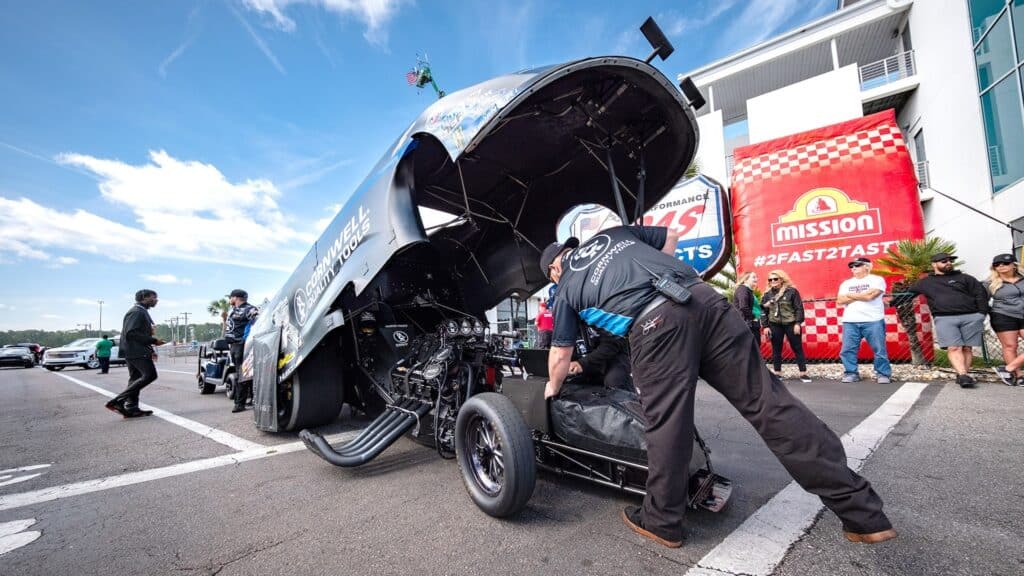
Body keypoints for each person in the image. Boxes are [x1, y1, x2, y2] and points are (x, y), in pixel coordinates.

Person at [539, 226, 895, 549]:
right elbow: (672, 236)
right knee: (768, 402)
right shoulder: (614, 235)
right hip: (703, 299)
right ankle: (863, 513)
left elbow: (560, 352)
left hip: (654, 325)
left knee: (667, 424)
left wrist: (552, 389)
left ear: (555, 271)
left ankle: (662, 521)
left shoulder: (567, 288)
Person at [906, 252, 989, 388]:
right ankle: (963, 375)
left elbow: (980, 293)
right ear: (934, 264)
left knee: (967, 348)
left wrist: (981, 313)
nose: (948, 263)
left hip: (971, 316)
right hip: (944, 318)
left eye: (950, 260)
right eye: (944, 261)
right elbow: (909, 292)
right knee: (954, 347)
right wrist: (890, 303)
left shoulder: (965, 278)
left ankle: (963, 374)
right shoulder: (925, 282)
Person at [105, 290, 165, 418]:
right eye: (154, 298)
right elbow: (131, 333)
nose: (156, 300)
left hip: (134, 350)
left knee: (135, 378)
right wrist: (153, 341)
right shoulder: (137, 312)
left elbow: (139, 333)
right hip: (136, 351)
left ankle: (131, 407)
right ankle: (117, 401)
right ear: (144, 297)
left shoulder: (140, 311)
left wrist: (151, 349)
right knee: (150, 375)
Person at [837, 258, 892, 384]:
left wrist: (850, 295)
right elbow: (840, 301)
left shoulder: (877, 280)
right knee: (847, 349)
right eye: (851, 266)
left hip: (873, 320)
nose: (853, 268)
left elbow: (870, 296)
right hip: (850, 321)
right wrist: (863, 295)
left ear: (867, 267)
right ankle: (851, 373)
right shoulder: (846, 283)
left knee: (879, 349)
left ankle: (883, 374)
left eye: (857, 265)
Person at [760, 270, 811, 383]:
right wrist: (766, 326)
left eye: (775, 279)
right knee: (776, 349)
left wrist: (798, 323)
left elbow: (799, 308)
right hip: (774, 324)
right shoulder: (767, 294)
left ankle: (803, 373)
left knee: (797, 348)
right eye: (770, 279)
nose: (772, 281)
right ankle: (777, 373)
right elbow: (763, 311)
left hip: (791, 324)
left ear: (782, 279)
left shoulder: (792, 291)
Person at [985, 253, 1024, 386]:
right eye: (997, 264)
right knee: (1010, 346)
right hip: (1003, 316)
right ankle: (1018, 376)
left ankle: (1007, 369)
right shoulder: (990, 283)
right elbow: (981, 299)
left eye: (1005, 263)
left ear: (1014, 265)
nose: (1001, 266)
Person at [225, 289, 259, 413]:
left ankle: (239, 404)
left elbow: (258, 319)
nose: (230, 300)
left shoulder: (249, 309)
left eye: (231, 297)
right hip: (234, 346)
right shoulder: (233, 310)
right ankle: (252, 399)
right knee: (244, 373)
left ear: (235, 297)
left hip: (242, 345)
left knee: (242, 374)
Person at [568, 327, 632, 391]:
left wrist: (582, 364)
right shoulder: (562, 323)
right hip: (579, 366)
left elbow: (612, 344)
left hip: (612, 359)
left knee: (615, 382)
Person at [732, 272, 762, 345]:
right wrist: (753, 317)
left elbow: (753, 306)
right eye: (753, 277)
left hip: (752, 324)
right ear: (745, 280)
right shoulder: (743, 289)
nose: (756, 279)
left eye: (756, 277)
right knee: (753, 347)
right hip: (748, 324)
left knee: (755, 346)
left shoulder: (748, 290)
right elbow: (743, 307)